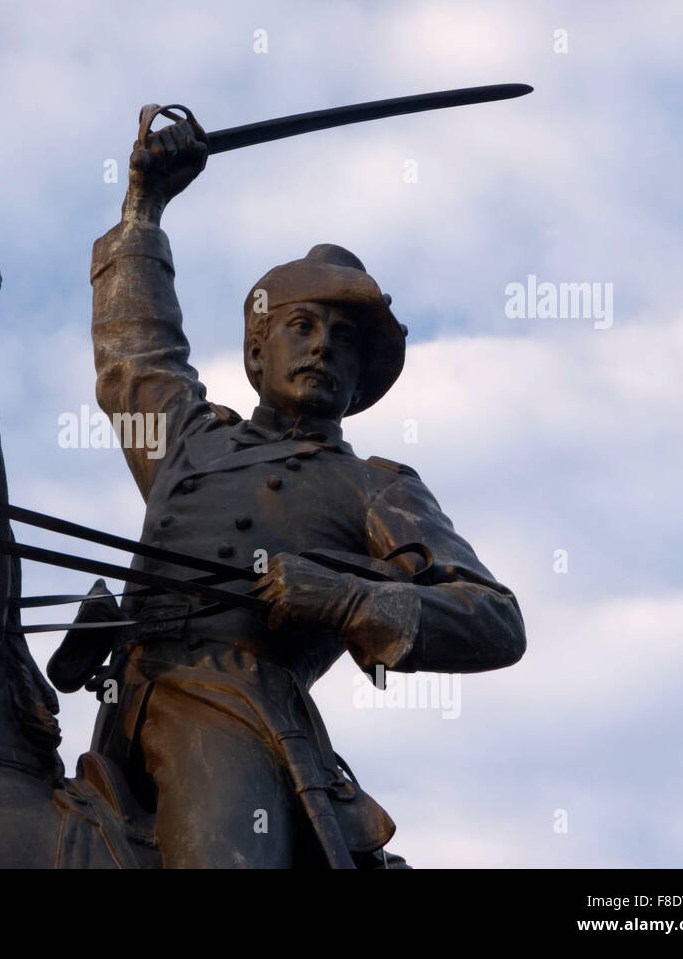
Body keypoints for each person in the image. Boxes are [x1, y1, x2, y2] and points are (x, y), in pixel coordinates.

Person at [84, 111, 526, 868]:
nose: (322, 345)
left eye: (343, 340)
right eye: (302, 326)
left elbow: (494, 621)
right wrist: (143, 212)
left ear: (359, 383)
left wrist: (351, 599)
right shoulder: (188, 437)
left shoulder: (374, 486)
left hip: (230, 713)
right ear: (258, 353)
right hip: (118, 709)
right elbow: (136, 347)